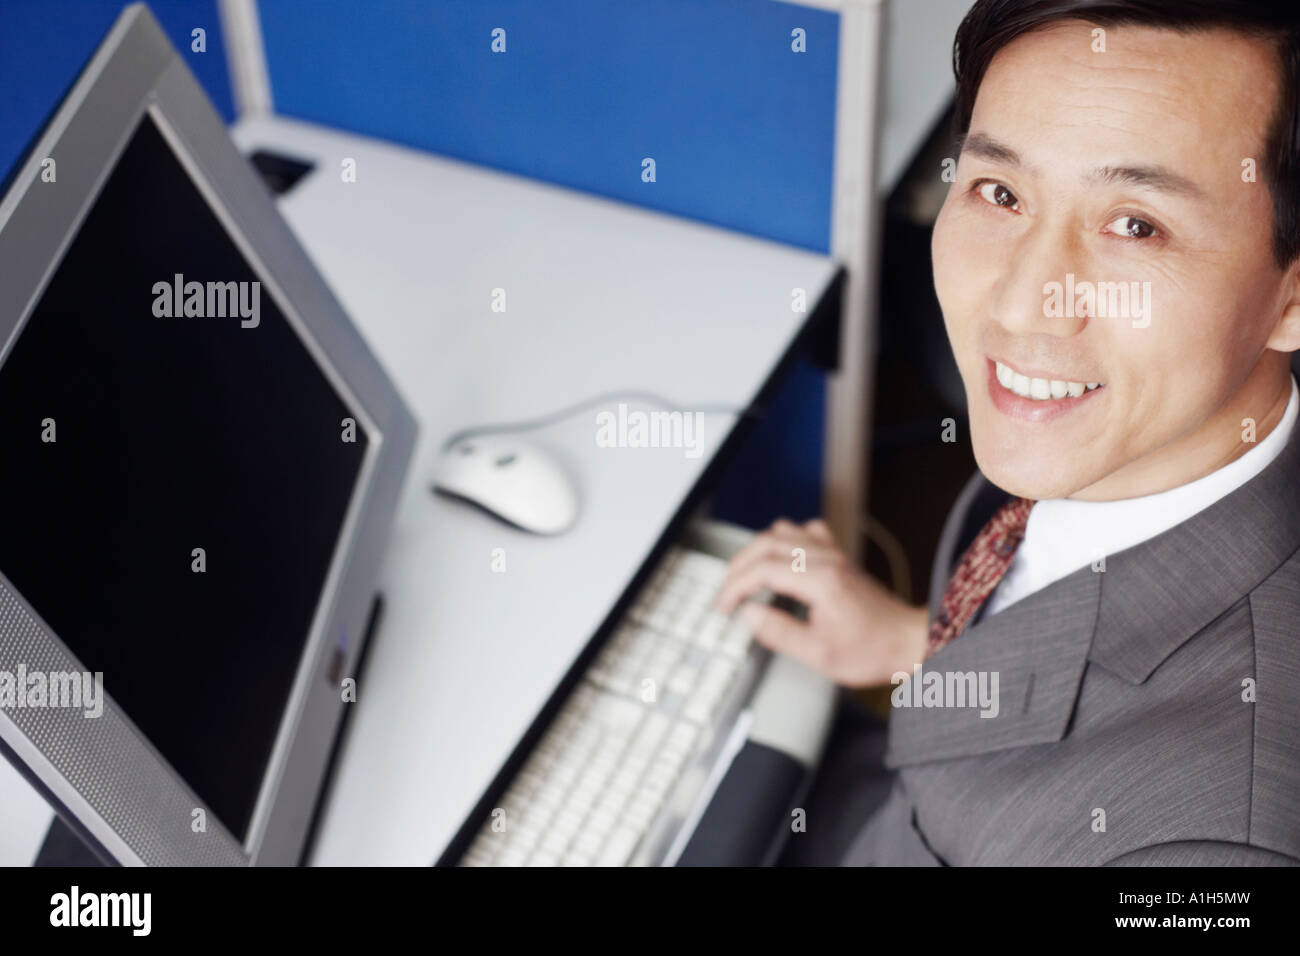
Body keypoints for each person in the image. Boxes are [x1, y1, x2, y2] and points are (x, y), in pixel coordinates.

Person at [717, 0, 1300, 865]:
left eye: (1135, 225)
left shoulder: (1209, 853)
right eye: (1001, 192)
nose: (1024, 303)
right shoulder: (1127, 447)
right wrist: (908, 643)